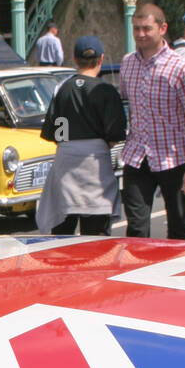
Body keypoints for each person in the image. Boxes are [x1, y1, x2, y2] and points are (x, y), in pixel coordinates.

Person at [119, 3, 185, 239]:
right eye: (136, 29)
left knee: (178, 227)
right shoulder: (128, 64)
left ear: (162, 28)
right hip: (138, 156)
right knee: (136, 227)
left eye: (147, 28)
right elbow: (126, 103)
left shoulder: (181, 67)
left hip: (173, 157)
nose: (140, 34)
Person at [35, 34, 126, 236]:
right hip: (96, 164)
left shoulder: (62, 88)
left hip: (66, 161)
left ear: (75, 59)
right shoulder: (106, 90)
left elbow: (58, 131)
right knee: (96, 234)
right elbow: (115, 133)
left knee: (62, 231)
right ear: (101, 59)